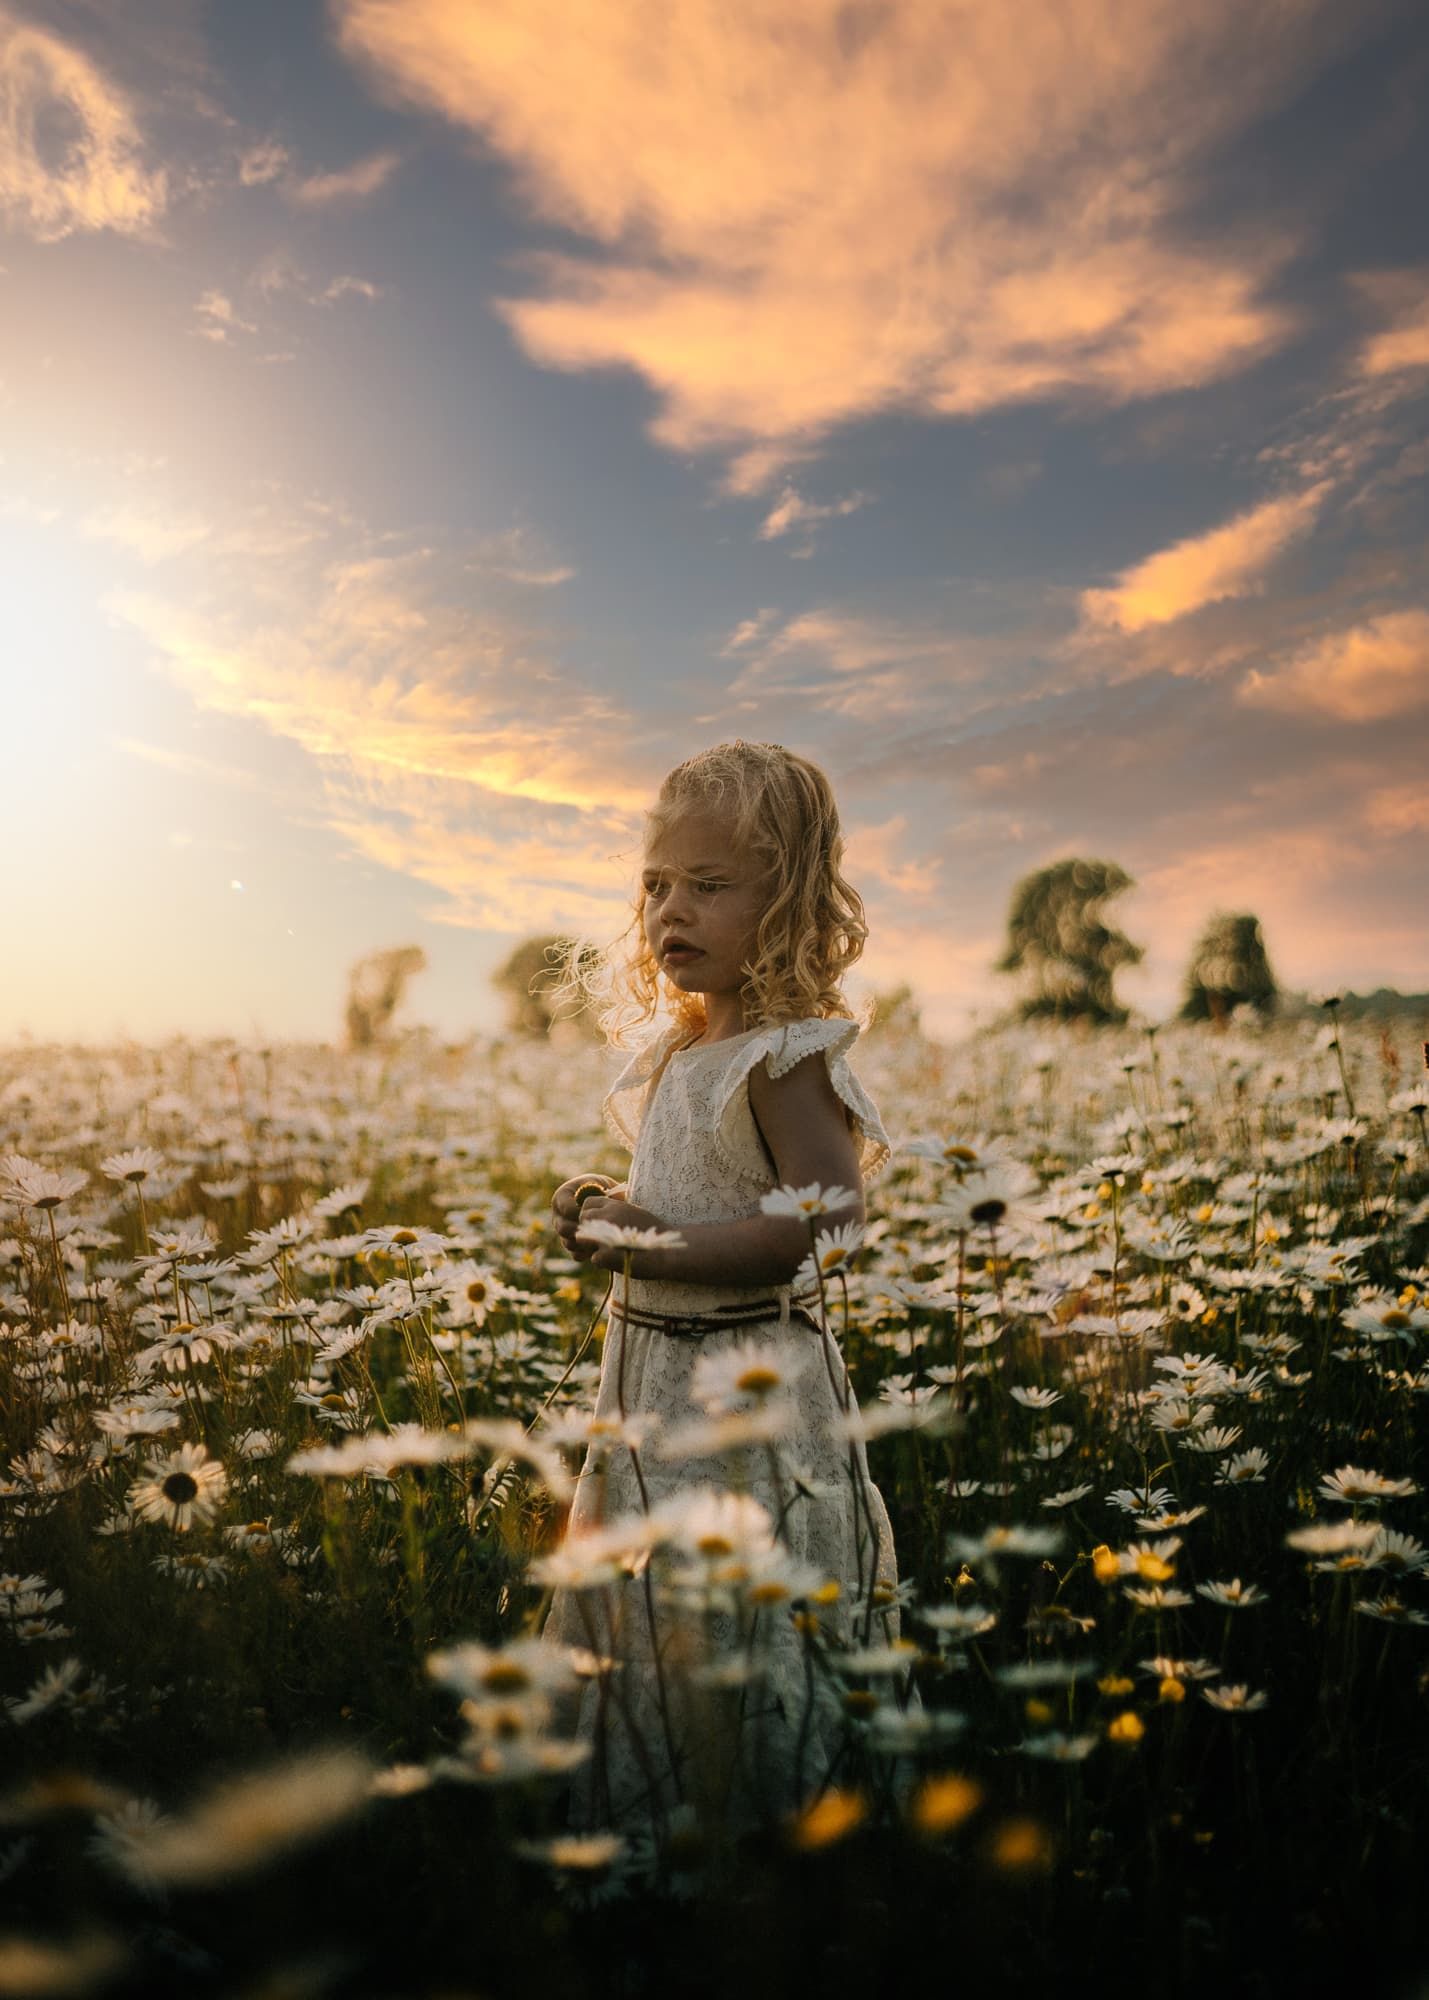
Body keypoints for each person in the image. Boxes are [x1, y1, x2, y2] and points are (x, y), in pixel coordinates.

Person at [538, 741, 903, 1842]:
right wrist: (606, 1206)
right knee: (649, 1603)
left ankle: (764, 1839)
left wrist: (662, 1244)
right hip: (650, 1378)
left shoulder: (783, 1053)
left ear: (786, 900)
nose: (669, 910)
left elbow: (827, 1219)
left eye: (709, 885)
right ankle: (656, 1822)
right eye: (656, 884)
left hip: (745, 1391)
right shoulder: (682, 1045)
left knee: (742, 1609)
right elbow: (676, 1196)